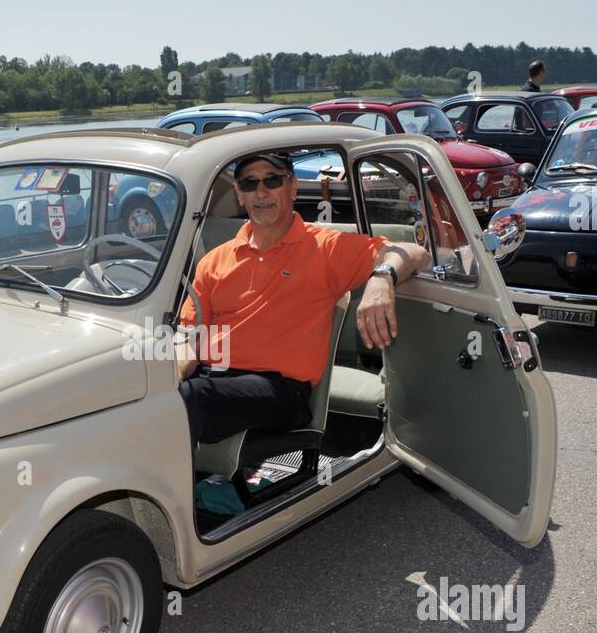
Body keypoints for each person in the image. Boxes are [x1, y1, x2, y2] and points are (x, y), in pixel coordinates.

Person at [177, 151, 431, 448]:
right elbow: (190, 340)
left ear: (293, 187)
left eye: (272, 180)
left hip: (279, 391)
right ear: (239, 194)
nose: (261, 192)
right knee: (155, 395)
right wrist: (165, 380)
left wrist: (381, 279)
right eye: (249, 184)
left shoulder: (324, 248)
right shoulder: (213, 261)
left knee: (190, 398)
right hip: (213, 379)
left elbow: (416, 254)